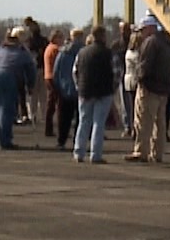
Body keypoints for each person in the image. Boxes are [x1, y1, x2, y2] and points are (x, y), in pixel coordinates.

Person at [126, 19, 170, 163]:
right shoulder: (168, 43)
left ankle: (141, 151)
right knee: (159, 123)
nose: (141, 34)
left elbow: (144, 65)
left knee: (143, 121)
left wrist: (140, 79)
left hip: (149, 87)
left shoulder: (150, 42)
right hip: (163, 87)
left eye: (142, 30)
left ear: (149, 28)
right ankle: (157, 152)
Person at [0, 27, 39, 150]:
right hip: (6, 76)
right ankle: (5, 140)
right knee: (5, 109)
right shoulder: (22, 53)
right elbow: (31, 70)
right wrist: (30, 86)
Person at [72, 26, 116, 163]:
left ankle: (79, 152)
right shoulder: (108, 53)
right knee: (98, 123)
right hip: (104, 91)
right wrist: (113, 88)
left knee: (83, 121)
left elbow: (75, 71)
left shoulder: (82, 52)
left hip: (85, 90)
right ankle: (95, 154)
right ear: (103, 36)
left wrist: (78, 86)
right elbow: (116, 72)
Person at [54, 28, 85, 151]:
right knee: (80, 118)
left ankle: (61, 141)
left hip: (65, 88)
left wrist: (58, 85)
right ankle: (77, 141)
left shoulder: (63, 52)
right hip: (80, 87)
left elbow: (56, 71)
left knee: (63, 117)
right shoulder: (84, 51)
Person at [42, 29, 66, 139]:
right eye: (60, 37)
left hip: (48, 76)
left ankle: (49, 128)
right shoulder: (55, 49)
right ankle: (58, 129)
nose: (62, 40)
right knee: (58, 104)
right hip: (54, 77)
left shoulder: (48, 48)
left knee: (51, 103)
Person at [121, 26, 143, 139]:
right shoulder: (136, 54)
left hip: (128, 80)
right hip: (134, 80)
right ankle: (135, 128)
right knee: (136, 106)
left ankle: (131, 127)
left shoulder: (128, 52)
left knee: (130, 105)